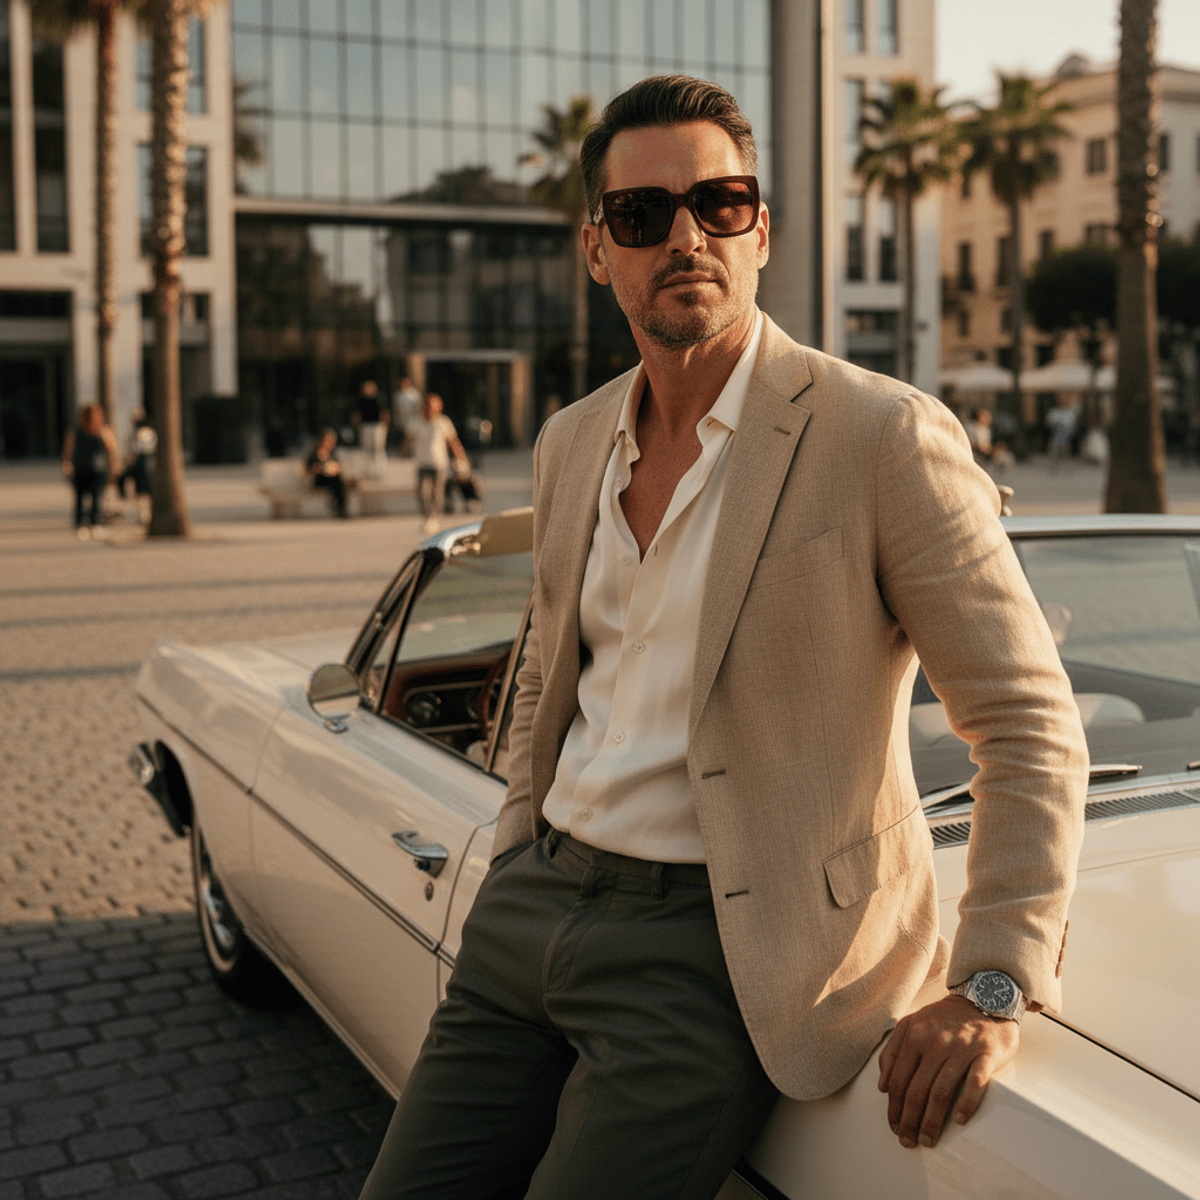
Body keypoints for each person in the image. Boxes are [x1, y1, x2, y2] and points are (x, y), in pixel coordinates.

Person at [360, 76, 1087, 1200]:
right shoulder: (569, 442)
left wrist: (993, 978)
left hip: (716, 951)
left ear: (761, 233)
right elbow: (551, 667)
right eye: (644, 217)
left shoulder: (881, 435)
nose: (686, 236)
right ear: (599, 250)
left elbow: (1030, 723)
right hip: (534, 907)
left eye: (721, 203)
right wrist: (515, 848)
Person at [406, 392, 468, 531]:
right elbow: (408, 439)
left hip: (439, 464)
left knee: (437, 493)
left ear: (438, 408)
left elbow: (453, 442)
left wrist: (461, 458)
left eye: (433, 407)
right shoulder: (416, 422)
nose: (429, 410)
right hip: (422, 463)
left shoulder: (443, 422)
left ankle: (433, 518)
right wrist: (403, 451)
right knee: (421, 492)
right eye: (427, 406)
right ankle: (426, 516)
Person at [61, 404, 117, 540]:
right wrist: (67, 464)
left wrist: (113, 465)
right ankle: (81, 525)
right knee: (80, 498)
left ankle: (95, 524)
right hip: (81, 469)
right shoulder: (77, 431)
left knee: (96, 498)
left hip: (97, 471)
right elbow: (68, 449)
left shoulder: (103, 431)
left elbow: (112, 448)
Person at [117, 409, 157, 524]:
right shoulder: (150, 431)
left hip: (140, 463)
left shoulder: (140, 432)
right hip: (147, 462)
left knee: (141, 491)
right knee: (143, 491)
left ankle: (143, 514)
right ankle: (143, 514)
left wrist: (129, 461)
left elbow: (136, 450)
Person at [305, 428, 349, 518]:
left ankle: (340, 508)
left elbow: (337, 467)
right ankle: (339, 509)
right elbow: (309, 469)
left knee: (338, 480)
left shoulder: (332, 454)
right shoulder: (315, 454)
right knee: (336, 480)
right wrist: (322, 469)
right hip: (319, 480)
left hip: (332, 480)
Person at [357, 380, 390, 478]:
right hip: (365, 426)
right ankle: (368, 471)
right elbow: (357, 415)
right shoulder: (361, 400)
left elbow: (385, 414)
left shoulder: (379, 399)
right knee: (367, 449)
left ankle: (380, 471)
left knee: (378, 449)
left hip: (377, 426)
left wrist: (385, 427)